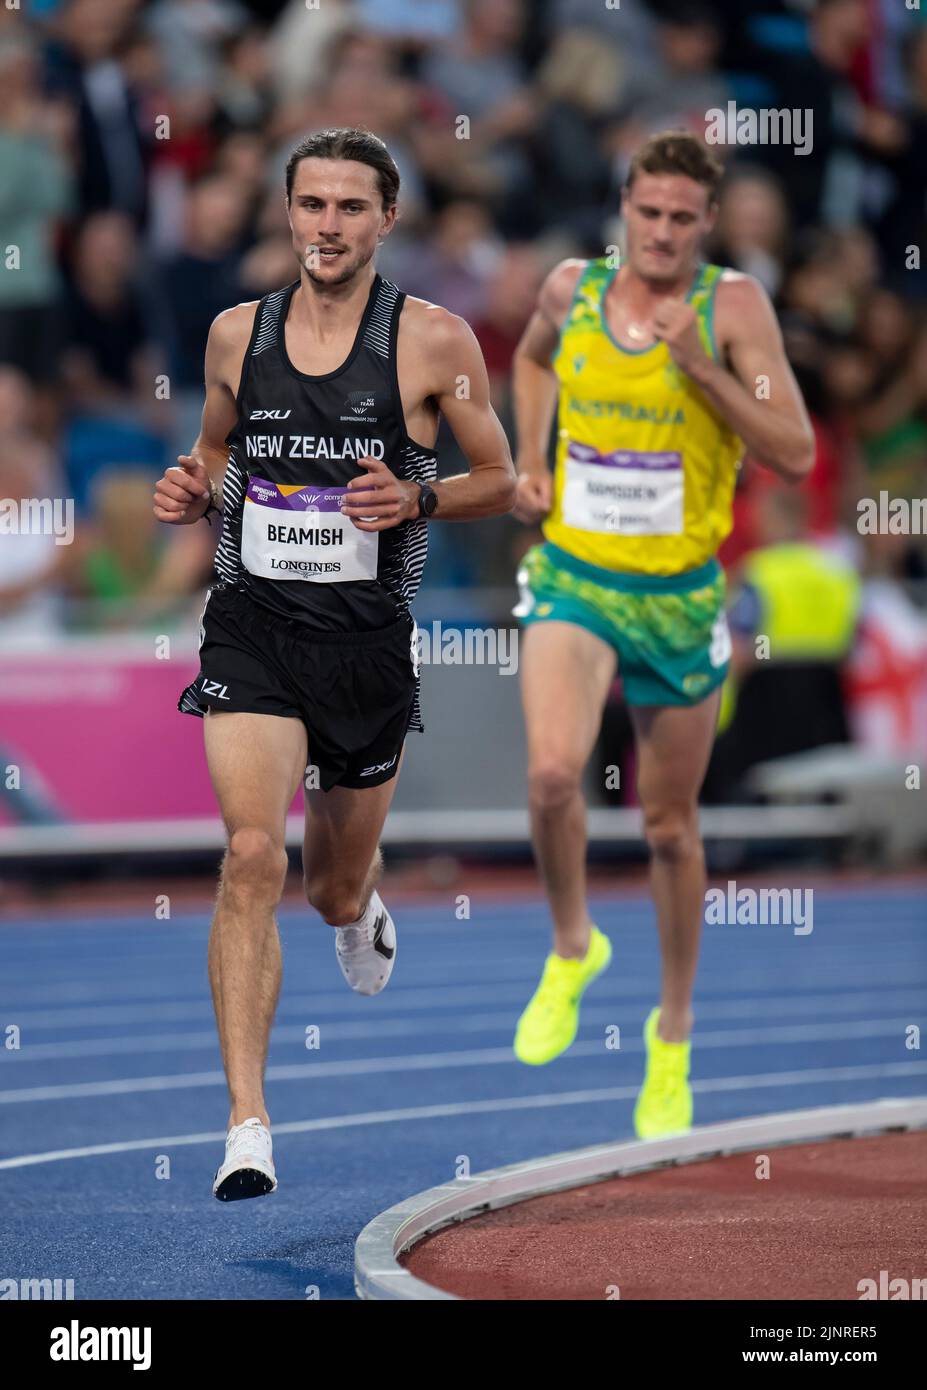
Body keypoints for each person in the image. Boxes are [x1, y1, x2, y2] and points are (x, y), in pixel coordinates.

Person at [152, 127, 515, 1201]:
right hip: (253, 631)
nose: (327, 225)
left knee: (326, 885)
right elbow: (218, 452)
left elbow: (502, 476)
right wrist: (192, 488)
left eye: (351, 207)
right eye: (311, 204)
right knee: (252, 853)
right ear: (288, 211)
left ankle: (360, 908)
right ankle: (248, 1121)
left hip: (366, 651)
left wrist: (420, 497)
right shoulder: (235, 334)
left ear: (386, 220)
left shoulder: (436, 340)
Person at [509, 129, 814, 1139]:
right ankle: (570, 946)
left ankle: (671, 1034)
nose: (664, 233)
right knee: (554, 775)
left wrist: (705, 373)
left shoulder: (734, 309)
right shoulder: (571, 290)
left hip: (684, 600)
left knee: (669, 827)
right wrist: (531, 458)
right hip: (575, 577)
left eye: (684, 219)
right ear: (624, 208)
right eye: (650, 213)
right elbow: (528, 357)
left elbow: (796, 450)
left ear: (707, 224)